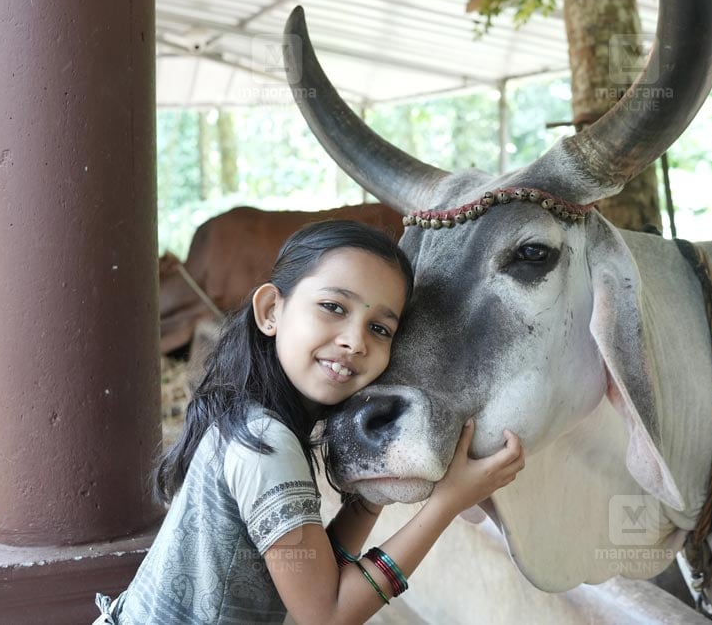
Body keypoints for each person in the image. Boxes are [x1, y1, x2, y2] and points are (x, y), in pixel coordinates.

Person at [97, 220, 525, 624]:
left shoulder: (253, 417)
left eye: (379, 328)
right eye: (332, 306)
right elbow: (327, 614)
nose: (354, 341)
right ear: (270, 311)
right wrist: (446, 503)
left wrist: (371, 497)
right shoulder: (266, 442)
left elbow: (314, 574)